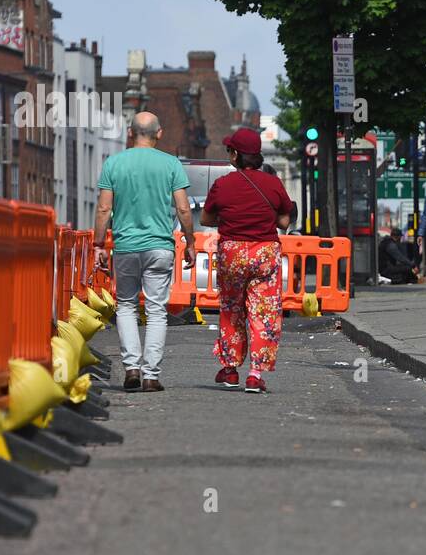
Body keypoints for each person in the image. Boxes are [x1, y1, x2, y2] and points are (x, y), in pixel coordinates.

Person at [93, 111, 194, 393]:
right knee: (157, 310)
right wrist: (191, 242)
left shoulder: (113, 163)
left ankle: (132, 368)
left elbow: (103, 208)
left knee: (125, 306)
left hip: (125, 247)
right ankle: (151, 375)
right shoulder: (171, 164)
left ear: (130, 132)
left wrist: (99, 244)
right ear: (159, 133)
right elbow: (183, 208)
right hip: (160, 246)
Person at [200, 127, 294, 394]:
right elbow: (285, 221)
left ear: (236, 155)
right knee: (263, 312)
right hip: (264, 251)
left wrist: (232, 219)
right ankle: (255, 374)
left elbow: (206, 219)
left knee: (231, 308)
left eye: (230, 150)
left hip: (232, 253)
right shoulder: (273, 184)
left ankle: (230, 369)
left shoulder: (222, 185)